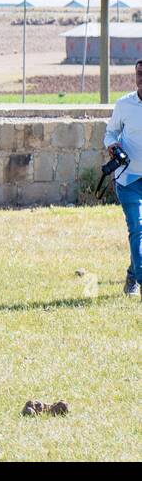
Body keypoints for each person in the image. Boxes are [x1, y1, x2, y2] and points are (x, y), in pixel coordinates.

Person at [104, 58, 142, 300]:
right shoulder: (124, 104)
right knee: (137, 228)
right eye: (139, 72)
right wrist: (113, 144)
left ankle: (131, 273)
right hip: (127, 178)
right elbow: (110, 132)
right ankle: (139, 278)